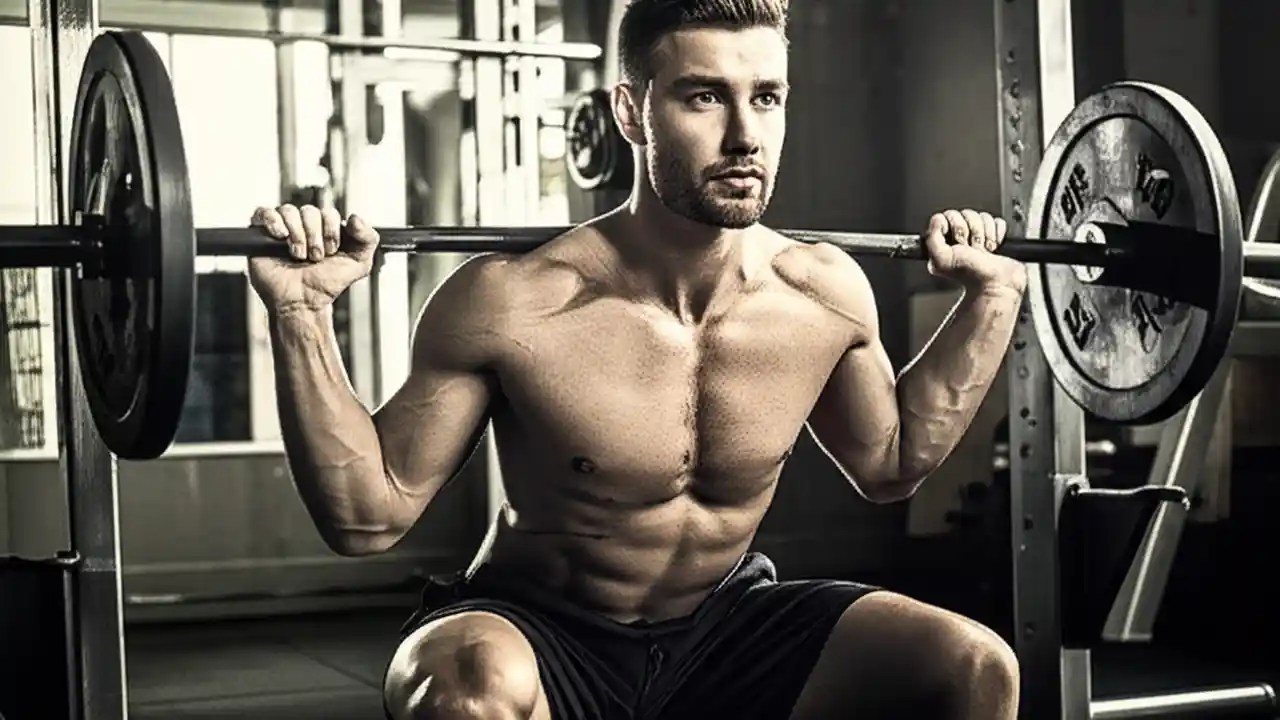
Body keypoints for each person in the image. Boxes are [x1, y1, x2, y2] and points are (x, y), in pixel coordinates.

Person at [247, 1, 1026, 718]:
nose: (744, 136)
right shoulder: (514, 301)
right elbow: (367, 517)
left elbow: (889, 465)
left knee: (975, 668)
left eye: (766, 97)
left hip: (728, 625)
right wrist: (300, 312)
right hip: (541, 631)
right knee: (464, 692)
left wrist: (989, 302)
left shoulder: (822, 293)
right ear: (631, 110)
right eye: (703, 97)